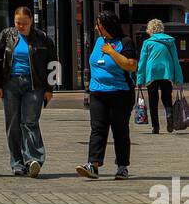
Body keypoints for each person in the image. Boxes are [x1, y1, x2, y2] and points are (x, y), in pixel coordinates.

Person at [0, 5, 58, 177]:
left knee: (30, 121)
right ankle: (17, 163)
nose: (20, 26)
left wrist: (50, 88)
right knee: (13, 123)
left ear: (31, 23)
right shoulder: (7, 35)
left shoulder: (42, 38)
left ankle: (33, 159)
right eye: (17, 23)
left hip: (34, 84)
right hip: (10, 83)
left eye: (24, 23)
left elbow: (54, 64)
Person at [76, 10, 137, 180]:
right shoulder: (98, 42)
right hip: (98, 93)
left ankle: (122, 167)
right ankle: (93, 165)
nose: (96, 28)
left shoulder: (125, 42)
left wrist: (112, 52)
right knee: (98, 129)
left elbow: (131, 65)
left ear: (106, 26)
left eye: (99, 25)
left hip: (120, 93)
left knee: (120, 131)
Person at [137, 18, 183, 134]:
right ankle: (169, 113)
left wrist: (139, 79)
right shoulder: (170, 41)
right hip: (167, 72)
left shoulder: (147, 43)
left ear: (150, 29)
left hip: (152, 73)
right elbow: (175, 60)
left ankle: (155, 127)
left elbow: (142, 62)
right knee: (166, 97)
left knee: (153, 100)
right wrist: (178, 78)